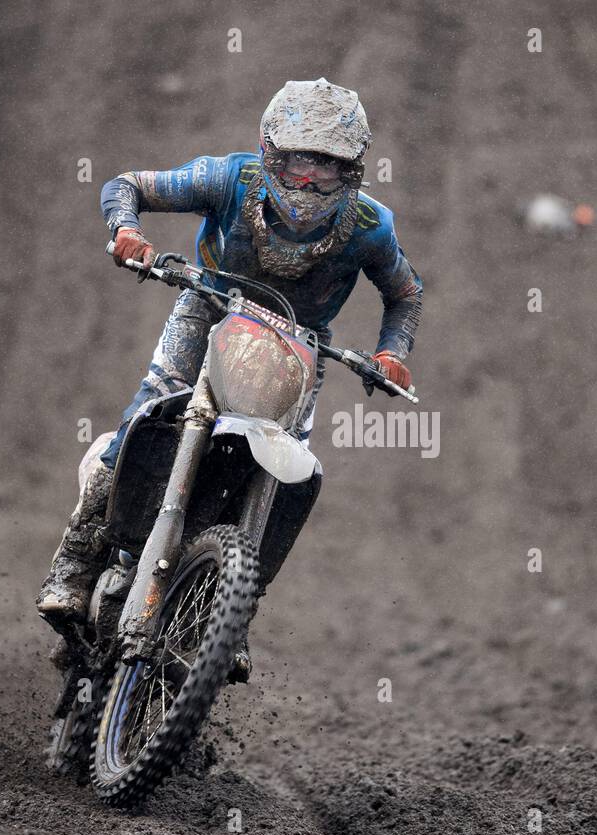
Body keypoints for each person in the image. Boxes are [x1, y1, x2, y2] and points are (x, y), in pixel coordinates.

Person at [37, 79, 423, 681]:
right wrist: (126, 230)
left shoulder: (371, 226)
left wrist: (392, 351)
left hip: (300, 347)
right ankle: (77, 562)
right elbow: (128, 185)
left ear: (352, 172)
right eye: (298, 161)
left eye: (327, 169)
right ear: (271, 152)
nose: (308, 182)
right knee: (144, 416)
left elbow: (404, 292)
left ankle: (231, 620)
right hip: (208, 309)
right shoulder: (226, 179)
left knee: (282, 463)